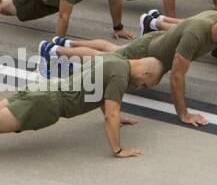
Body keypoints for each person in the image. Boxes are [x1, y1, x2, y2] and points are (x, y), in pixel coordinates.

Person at [0, 54, 165, 157]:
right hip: (47, 104)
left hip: (44, 88)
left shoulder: (114, 59)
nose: (139, 87)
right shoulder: (120, 76)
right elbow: (111, 114)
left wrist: (118, 119)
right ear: (145, 73)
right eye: (145, 84)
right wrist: (118, 149)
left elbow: (103, 95)